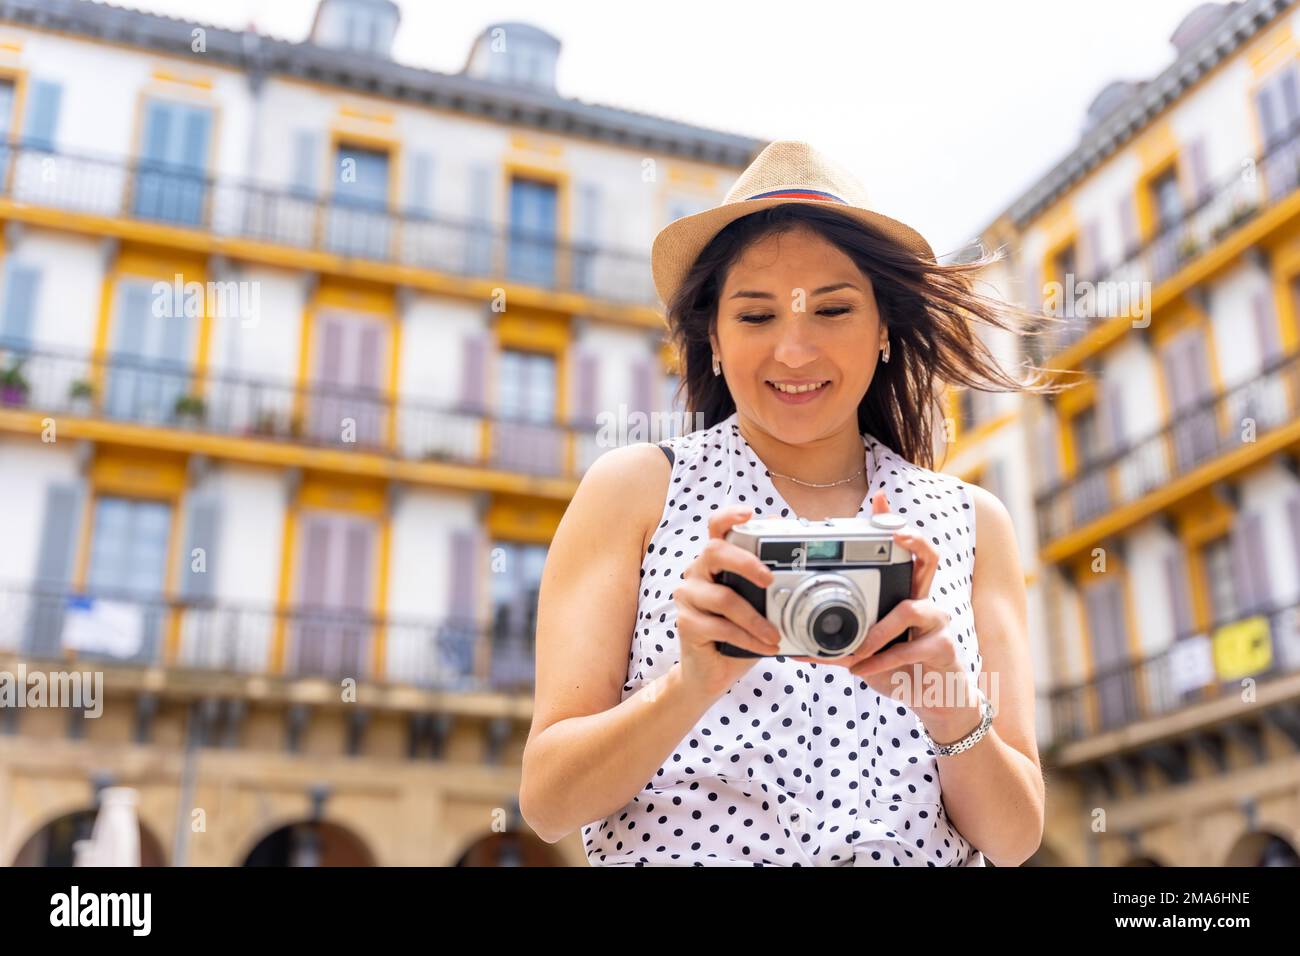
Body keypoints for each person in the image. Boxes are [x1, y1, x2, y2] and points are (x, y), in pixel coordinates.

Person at [520, 140, 1065, 866]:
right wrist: (690, 684)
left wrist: (947, 704)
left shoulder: (971, 521)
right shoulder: (635, 491)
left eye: (833, 310)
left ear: (883, 332)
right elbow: (550, 801)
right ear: (712, 338)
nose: (795, 352)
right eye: (756, 316)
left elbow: (1015, 836)